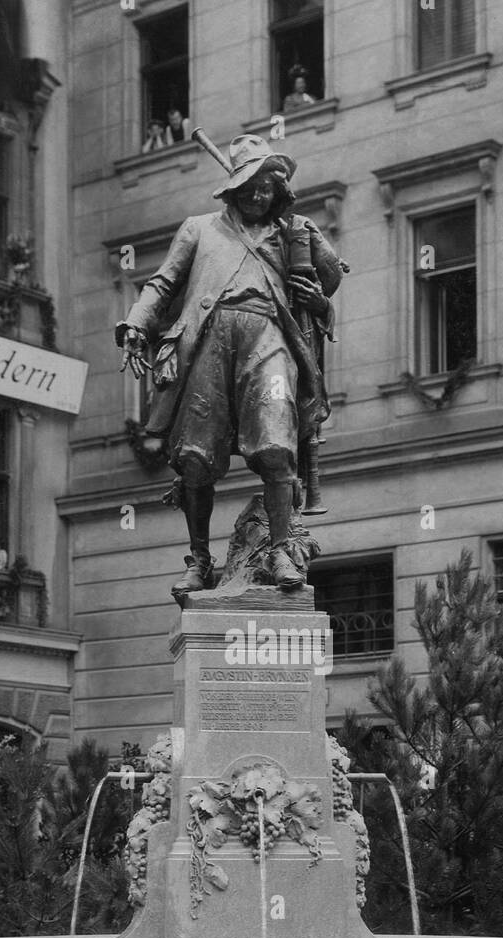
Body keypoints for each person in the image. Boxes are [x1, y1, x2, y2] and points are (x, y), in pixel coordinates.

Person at [116, 133, 342, 599]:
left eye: (266, 187)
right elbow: (162, 284)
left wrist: (314, 282)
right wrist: (135, 323)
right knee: (196, 460)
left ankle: (280, 550)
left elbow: (331, 278)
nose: (258, 196)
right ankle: (199, 559)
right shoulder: (200, 229)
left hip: (269, 337)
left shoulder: (291, 232)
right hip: (209, 340)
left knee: (277, 446)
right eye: (249, 187)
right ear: (233, 189)